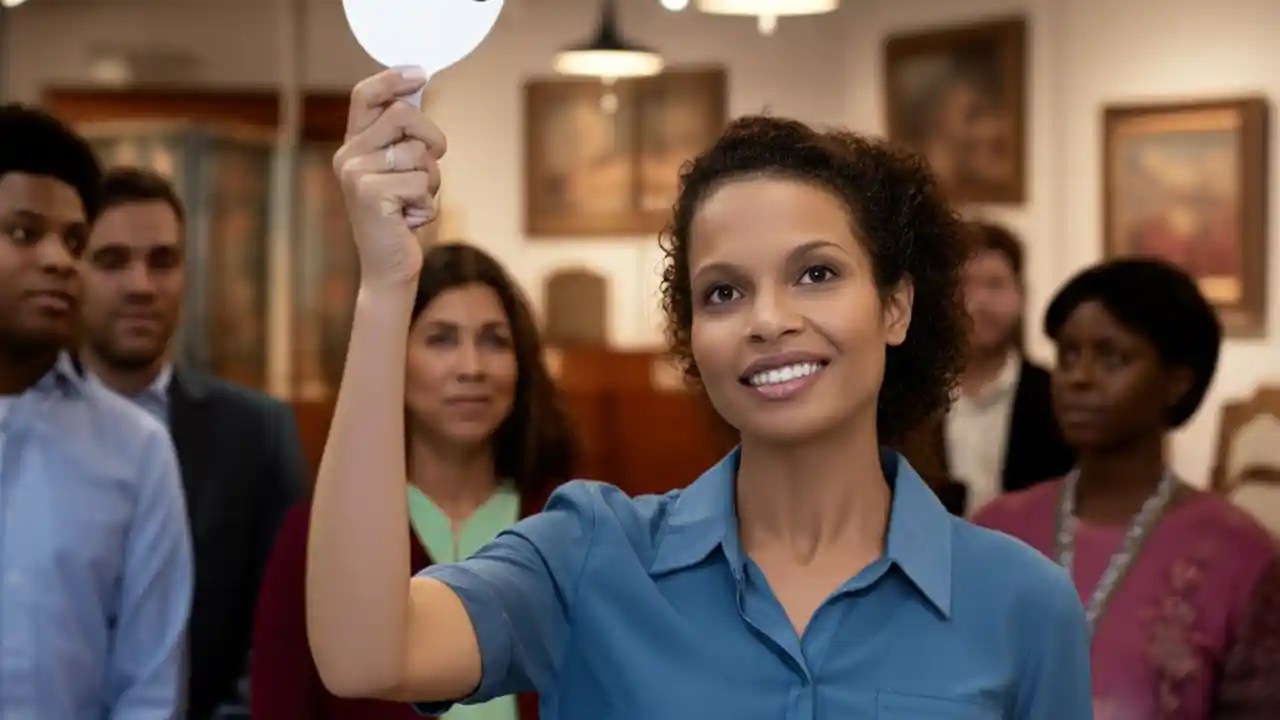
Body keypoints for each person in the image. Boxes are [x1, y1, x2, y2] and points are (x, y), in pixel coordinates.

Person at [305, 68, 1092, 718]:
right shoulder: (590, 558)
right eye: (723, 293)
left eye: (816, 274)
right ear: (692, 338)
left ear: (896, 306)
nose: (769, 319)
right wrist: (386, 287)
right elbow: (365, 654)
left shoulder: (1022, 605)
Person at [251, 242, 576, 720]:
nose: (472, 368)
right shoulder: (318, 537)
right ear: (391, 361)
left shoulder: (567, 525)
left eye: (494, 341)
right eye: (441, 339)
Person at [974, 258, 1280, 719]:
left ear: (1177, 381)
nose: (1079, 377)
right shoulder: (996, 531)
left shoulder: (1239, 553)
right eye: (1068, 356)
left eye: (1112, 357)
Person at [77, 166, 307, 719]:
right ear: (72, 271)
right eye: (112, 261)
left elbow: (290, 621)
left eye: (163, 261)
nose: (141, 285)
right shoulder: (24, 428)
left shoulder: (256, 434)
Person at [0, 105, 192, 717]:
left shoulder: (136, 451)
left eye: (75, 241)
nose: (59, 259)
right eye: (26, 233)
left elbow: (150, 685)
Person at [901, 221, 1073, 515]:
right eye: (963, 286)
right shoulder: (910, 397)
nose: (978, 302)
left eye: (995, 285)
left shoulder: (1055, 396)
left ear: (1021, 295)